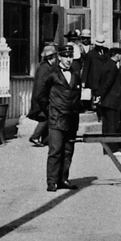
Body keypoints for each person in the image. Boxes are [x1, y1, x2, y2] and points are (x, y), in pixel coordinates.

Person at [31, 45, 84, 191]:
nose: (68, 60)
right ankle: (52, 182)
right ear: (59, 57)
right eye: (65, 56)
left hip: (72, 119)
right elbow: (40, 96)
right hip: (56, 118)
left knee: (68, 151)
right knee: (55, 151)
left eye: (70, 57)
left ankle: (63, 179)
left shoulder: (76, 74)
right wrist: (50, 111)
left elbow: (77, 95)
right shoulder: (52, 74)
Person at [26, 43, 58, 147]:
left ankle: (45, 139)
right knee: (46, 117)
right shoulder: (46, 68)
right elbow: (43, 85)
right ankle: (35, 137)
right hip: (42, 97)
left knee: (46, 116)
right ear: (51, 57)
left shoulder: (42, 65)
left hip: (40, 96)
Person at [81, 34, 113, 105]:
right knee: (95, 94)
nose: (100, 46)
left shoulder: (107, 51)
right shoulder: (90, 54)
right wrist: (83, 81)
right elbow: (86, 68)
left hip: (104, 77)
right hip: (94, 79)